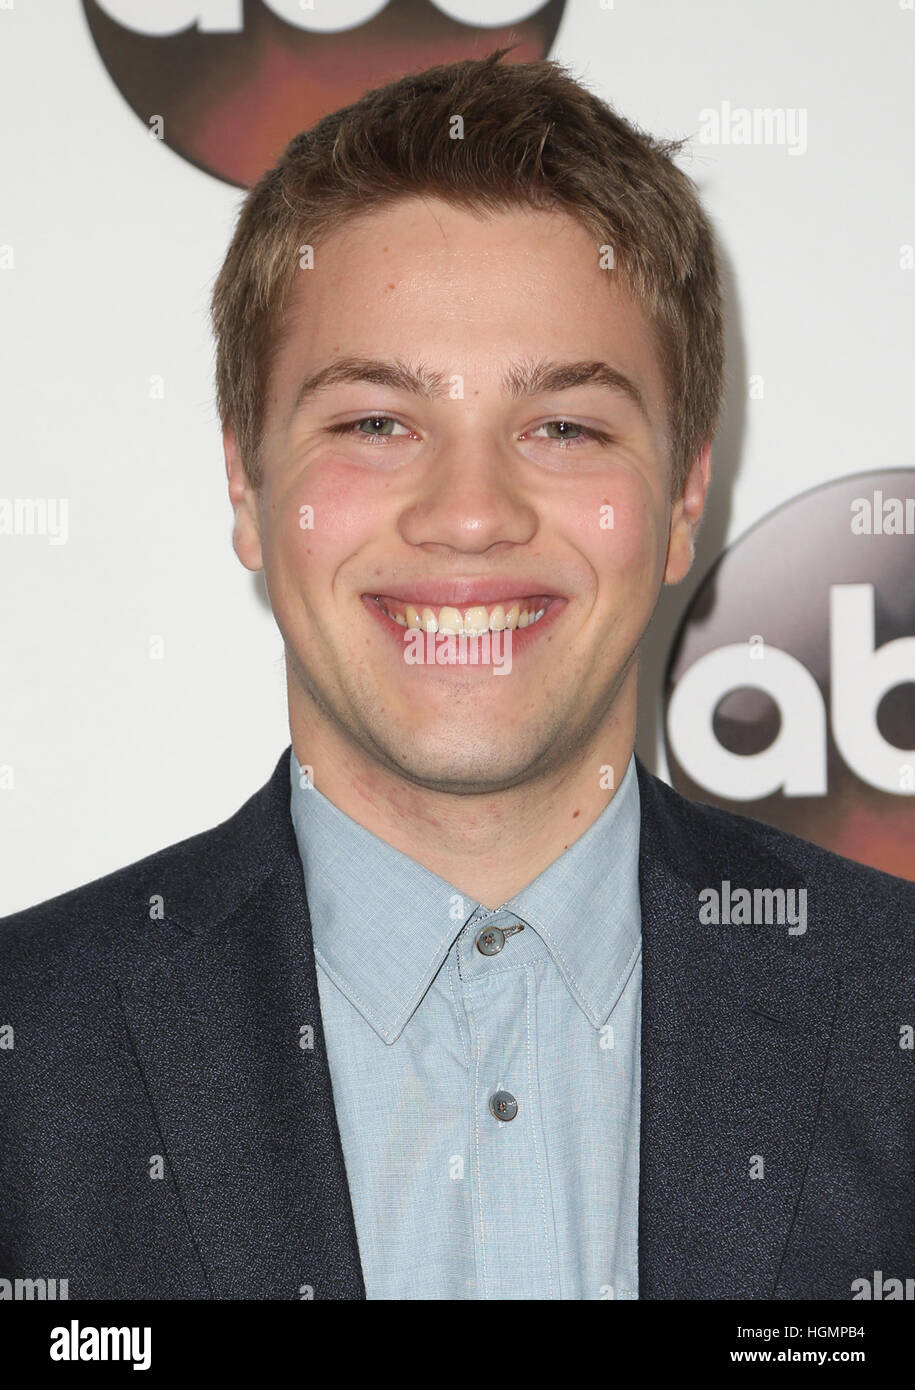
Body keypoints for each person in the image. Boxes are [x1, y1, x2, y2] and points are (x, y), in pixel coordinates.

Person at [2, 48, 912, 1302]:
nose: (471, 513)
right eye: (378, 421)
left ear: (685, 493)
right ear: (245, 486)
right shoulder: (27, 1063)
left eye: (564, 426)